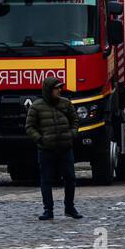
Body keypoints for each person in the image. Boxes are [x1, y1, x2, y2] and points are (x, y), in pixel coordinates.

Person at [25, 75, 82, 221]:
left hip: (65, 147)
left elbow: (75, 121)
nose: (59, 90)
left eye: (60, 87)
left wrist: (72, 134)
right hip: (46, 149)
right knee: (46, 179)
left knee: (70, 177)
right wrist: (40, 139)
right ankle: (48, 210)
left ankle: (69, 207)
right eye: (56, 88)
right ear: (49, 90)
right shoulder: (36, 106)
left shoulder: (66, 104)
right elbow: (29, 127)